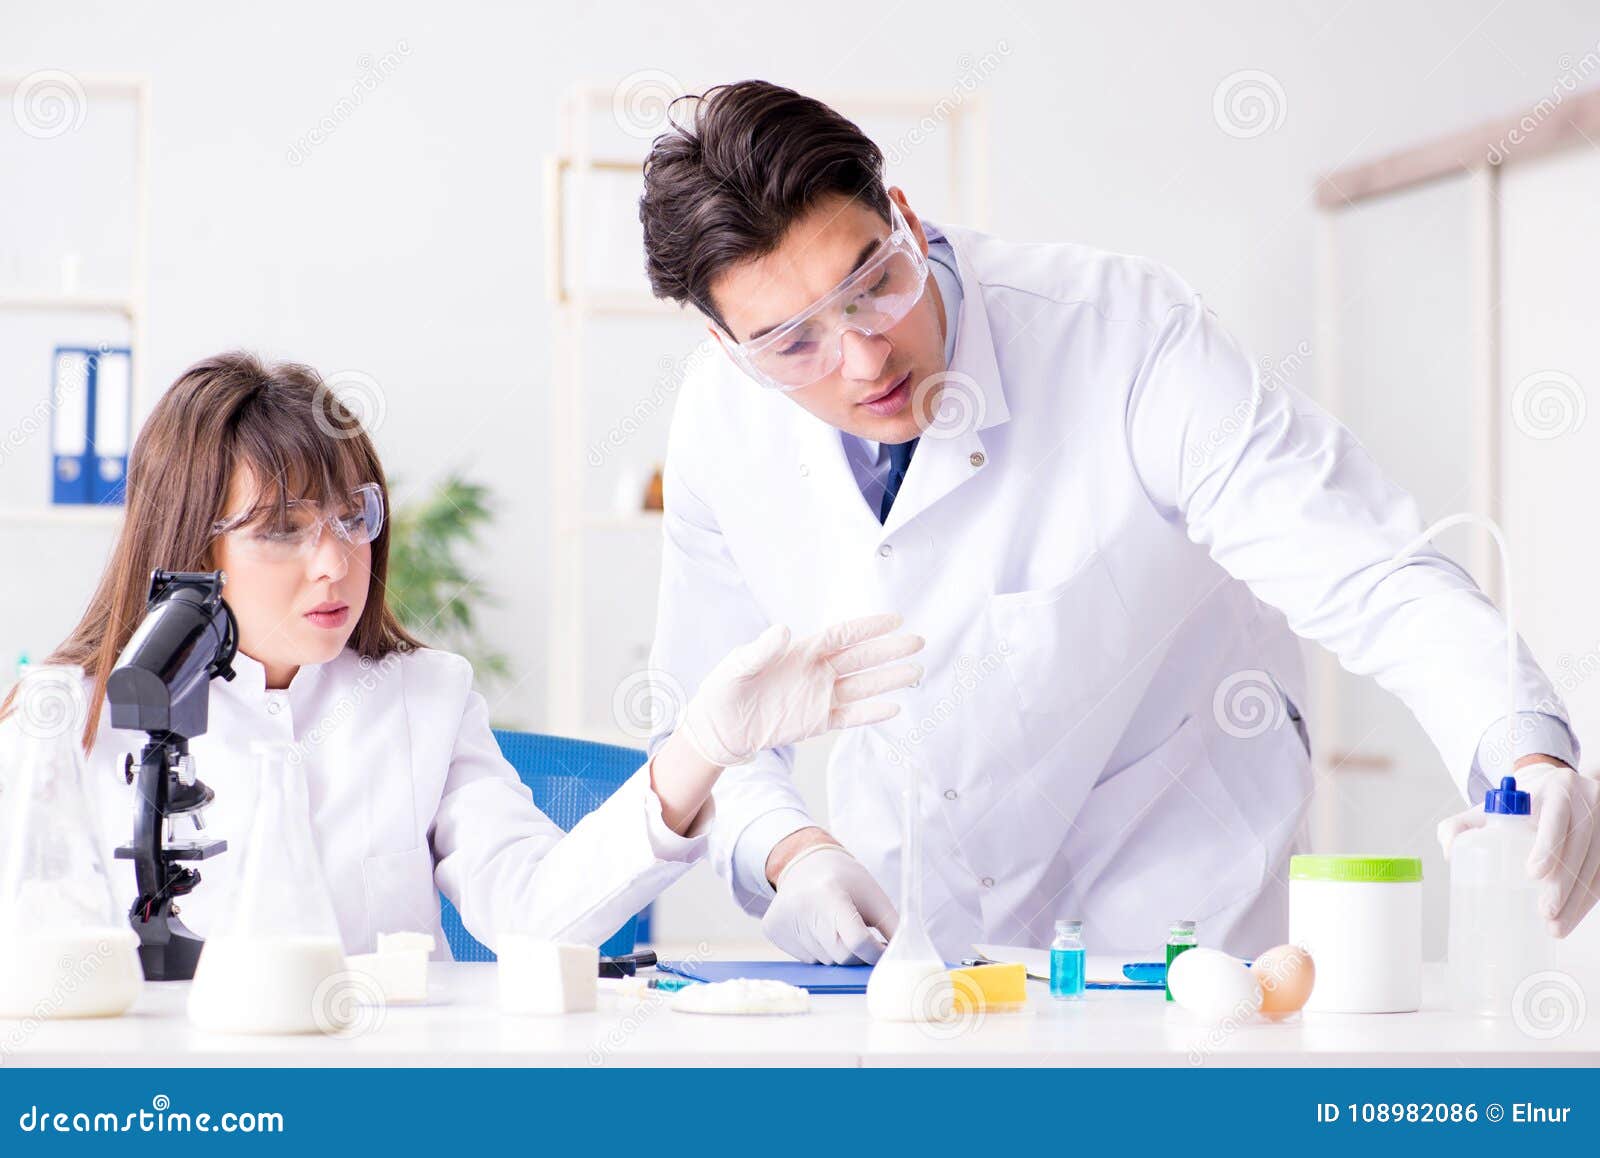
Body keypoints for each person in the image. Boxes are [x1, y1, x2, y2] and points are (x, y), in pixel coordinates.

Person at [637, 80, 1597, 962]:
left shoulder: (1121, 334)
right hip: (910, 926)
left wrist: (1525, 751)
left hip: (1178, 905)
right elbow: (712, 725)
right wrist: (789, 851)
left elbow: (1367, 570)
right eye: (793, 341)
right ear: (728, 349)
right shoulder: (722, 425)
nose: (861, 358)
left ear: (906, 220)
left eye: (875, 285)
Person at [1, 351, 922, 956]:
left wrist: (703, 748)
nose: (334, 564)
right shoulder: (65, 716)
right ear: (188, 550)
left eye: (350, 518)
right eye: (282, 530)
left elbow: (535, 915)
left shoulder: (422, 696)